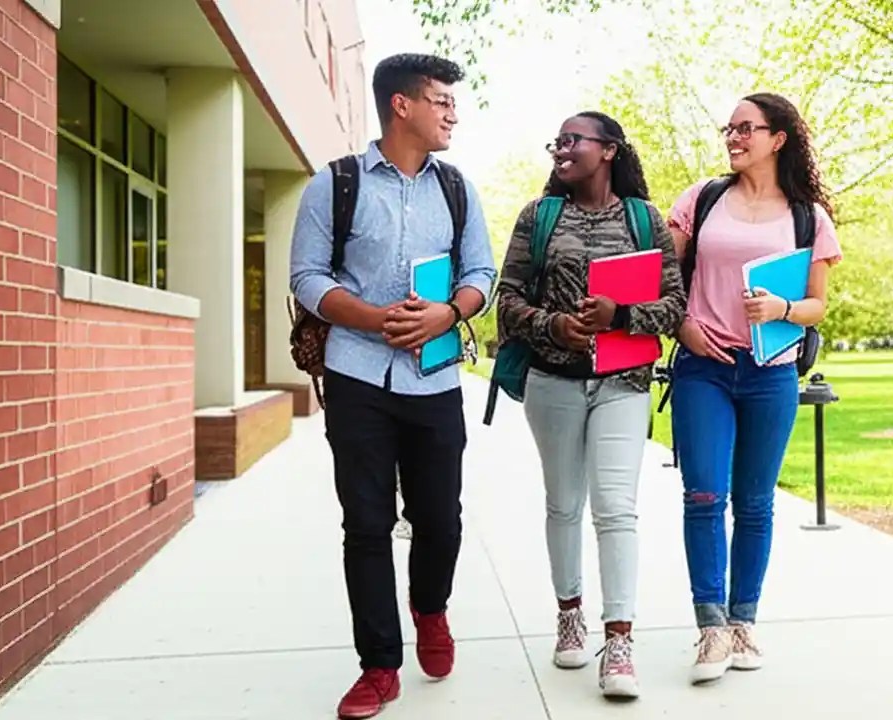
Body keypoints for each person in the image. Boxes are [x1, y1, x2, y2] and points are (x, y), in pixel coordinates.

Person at [289, 53, 496, 720]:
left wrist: (450, 312)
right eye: (441, 100)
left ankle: (429, 607)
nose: (453, 113)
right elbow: (308, 277)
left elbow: (481, 274)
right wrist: (375, 320)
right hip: (357, 378)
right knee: (367, 523)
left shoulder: (457, 188)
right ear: (400, 105)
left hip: (434, 378)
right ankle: (378, 665)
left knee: (441, 519)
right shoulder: (336, 183)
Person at [495, 112, 686, 699]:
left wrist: (618, 316)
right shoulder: (539, 215)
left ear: (608, 150)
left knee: (616, 508)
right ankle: (569, 614)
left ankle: (620, 640)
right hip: (553, 380)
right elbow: (504, 300)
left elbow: (674, 305)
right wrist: (551, 323)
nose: (562, 149)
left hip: (623, 382)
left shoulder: (644, 219)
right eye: (557, 141)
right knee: (564, 504)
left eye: (573, 140)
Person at [664, 92, 842, 684]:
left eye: (746, 128)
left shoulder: (808, 216)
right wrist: (683, 326)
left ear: (778, 138)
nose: (734, 137)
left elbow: (816, 305)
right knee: (704, 496)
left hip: (771, 372)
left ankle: (744, 622)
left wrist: (782, 306)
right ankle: (710, 628)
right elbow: (665, 279)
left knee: (757, 503)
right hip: (703, 368)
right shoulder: (702, 199)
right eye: (729, 128)